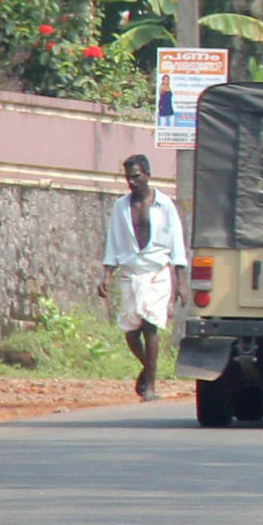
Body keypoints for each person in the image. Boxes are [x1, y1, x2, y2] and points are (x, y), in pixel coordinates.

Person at [98, 154, 190, 401]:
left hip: (157, 271)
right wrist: (107, 275)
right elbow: (114, 242)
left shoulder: (165, 205)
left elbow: (177, 245)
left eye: (136, 176)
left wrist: (181, 282)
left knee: (151, 325)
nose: (132, 182)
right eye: (128, 177)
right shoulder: (121, 207)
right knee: (130, 330)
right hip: (131, 272)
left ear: (148, 175)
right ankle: (147, 367)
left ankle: (150, 387)